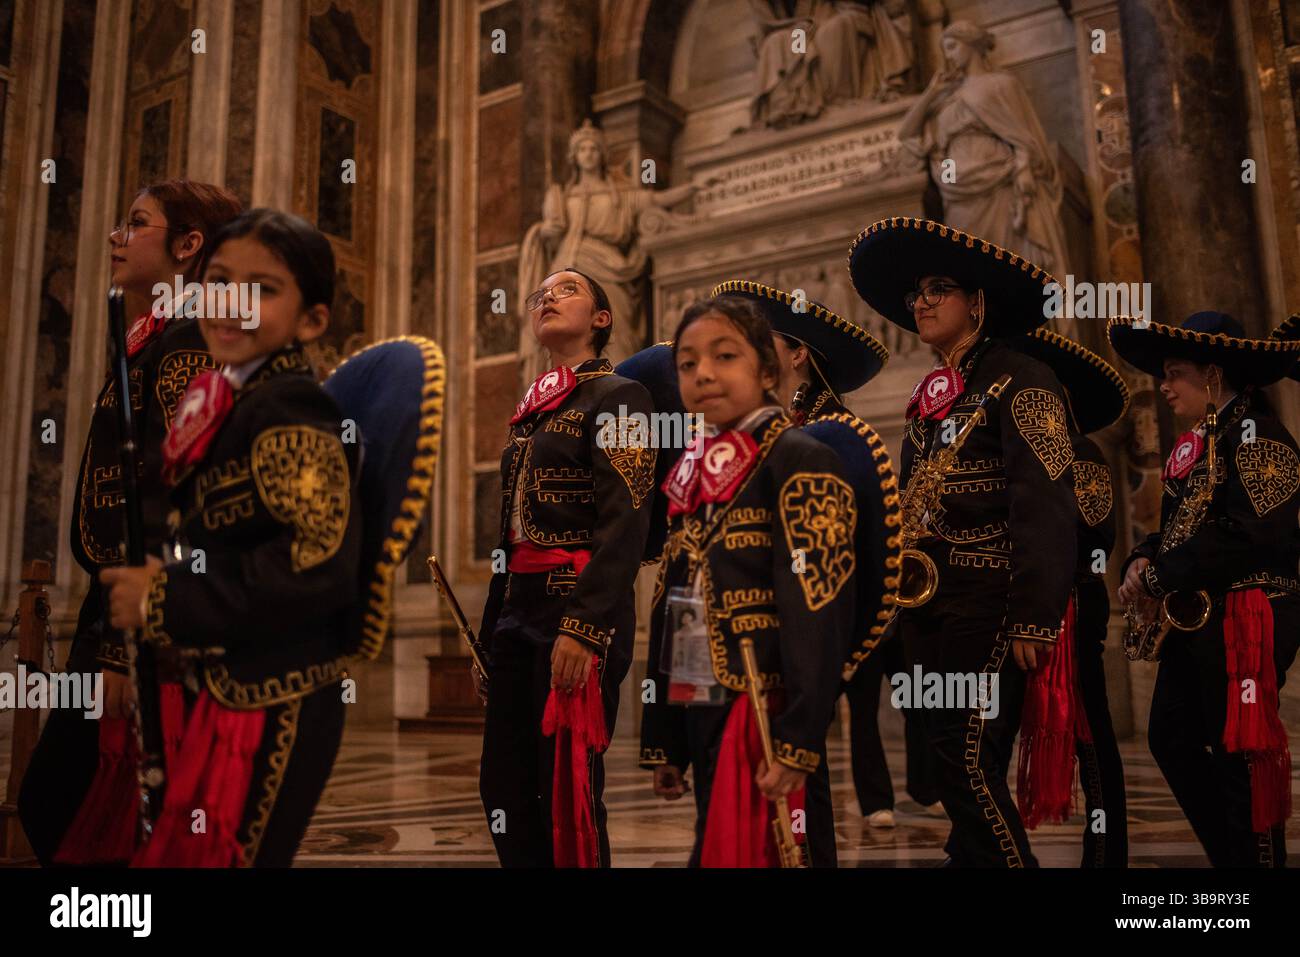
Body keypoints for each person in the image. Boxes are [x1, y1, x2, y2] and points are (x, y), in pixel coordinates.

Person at [95, 208, 363, 867]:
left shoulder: (290, 403)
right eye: (217, 280)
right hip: (224, 681)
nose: (232, 302)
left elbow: (314, 560)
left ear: (312, 321)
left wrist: (164, 602)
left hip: (274, 697)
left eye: (263, 288)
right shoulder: (225, 399)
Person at [19, 179, 241, 866]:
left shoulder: (188, 345)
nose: (117, 235)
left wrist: (123, 644)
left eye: (136, 223)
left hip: (143, 610)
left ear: (188, 244)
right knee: (76, 804)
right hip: (116, 596)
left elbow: (182, 496)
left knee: (68, 798)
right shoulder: (156, 339)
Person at [848, 216, 1077, 867]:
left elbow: (1047, 503)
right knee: (947, 766)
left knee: (967, 757)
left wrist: (1037, 613)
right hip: (931, 606)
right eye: (915, 293)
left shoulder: (1025, 378)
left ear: (976, 302)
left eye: (936, 289)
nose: (918, 302)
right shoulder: (930, 398)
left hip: (993, 598)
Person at [710, 278, 937, 829]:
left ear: (797, 355)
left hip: (803, 652)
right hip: (757, 658)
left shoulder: (832, 439)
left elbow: (829, 575)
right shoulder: (765, 436)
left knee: (800, 821)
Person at [640, 295, 856, 867]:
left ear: (766, 371)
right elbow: (676, 600)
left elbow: (818, 604)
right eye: (687, 364)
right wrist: (667, 739)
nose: (703, 374)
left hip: (765, 703)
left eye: (724, 356)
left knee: (784, 851)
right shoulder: (693, 470)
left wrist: (799, 736)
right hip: (704, 700)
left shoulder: (799, 457)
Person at [478, 267, 656, 867]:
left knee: (567, 788)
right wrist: (489, 631)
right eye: (539, 295)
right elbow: (510, 533)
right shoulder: (531, 410)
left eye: (567, 290)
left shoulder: (622, 396)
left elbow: (625, 526)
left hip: (575, 608)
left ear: (602, 319)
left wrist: (584, 628)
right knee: (504, 784)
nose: (547, 298)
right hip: (516, 612)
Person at [1111, 311, 1300, 867]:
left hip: (1252, 609)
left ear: (1213, 376)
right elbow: (1175, 530)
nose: (1163, 388)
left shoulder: (1262, 436)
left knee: (1241, 750)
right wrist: (1143, 557)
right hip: (1201, 614)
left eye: (1174, 374)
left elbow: (1251, 532)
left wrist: (1164, 573)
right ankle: (1235, 862)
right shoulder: (1198, 446)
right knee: (1170, 736)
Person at [1005, 327, 1131, 866]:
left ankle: (1106, 853)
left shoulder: (1083, 454)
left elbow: (1089, 530)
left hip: (1074, 604)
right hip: (1025, 604)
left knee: (1090, 730)